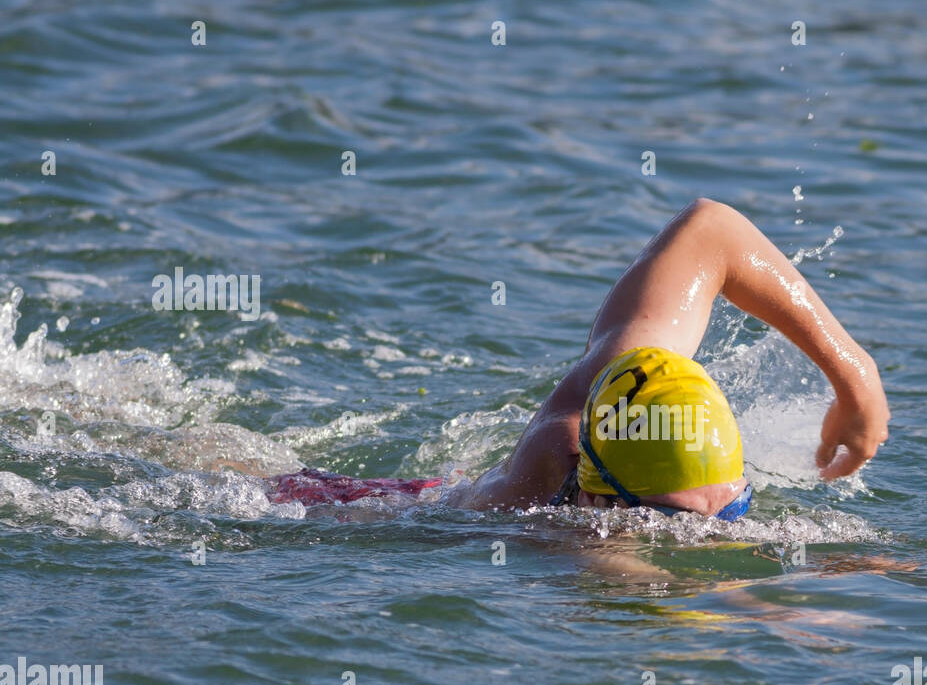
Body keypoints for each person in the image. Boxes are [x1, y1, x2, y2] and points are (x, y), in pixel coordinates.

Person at [269, 199, 890, 515]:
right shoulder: (564, 514)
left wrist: (854, 374)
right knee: (242, 482)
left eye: (730, 509)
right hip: (380, 511)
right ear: (601, 501)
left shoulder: (628, 371)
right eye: (675, 522)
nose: (708, 529)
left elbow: (711, 228)